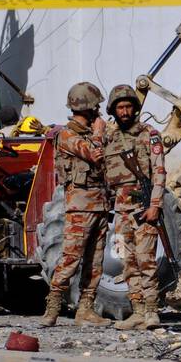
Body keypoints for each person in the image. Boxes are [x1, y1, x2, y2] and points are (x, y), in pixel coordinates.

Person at [44, 82, 111, 327]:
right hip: (80, 206)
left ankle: (86, 310)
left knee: (95, 263)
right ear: (91, 108)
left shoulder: (90, 133)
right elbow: (94, 154)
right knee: (71, 259)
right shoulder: (67, 134)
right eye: (97, 107)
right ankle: (52, 308)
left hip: (100, 204)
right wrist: (99, 132)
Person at [103, 84, 167, 329]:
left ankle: (152, 311)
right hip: (120, 211)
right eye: (120, 107)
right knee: (127, 261)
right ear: (113, 110)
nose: (125, 111)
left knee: (146, 260)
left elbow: (159, 172)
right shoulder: (109, 138)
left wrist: (155, 205)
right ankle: (137, 310)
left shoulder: (149, 135)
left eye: (129, 106)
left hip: (143, 207)